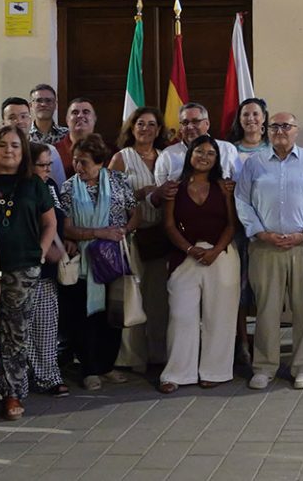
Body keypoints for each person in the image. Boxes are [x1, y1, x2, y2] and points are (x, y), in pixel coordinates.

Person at [235, 112, 303, 390]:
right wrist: (261, 232)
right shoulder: (254, 163)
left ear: (296, 130)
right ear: (267, 131)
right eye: (275, 126)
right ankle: (264, 367)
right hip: (265, 247)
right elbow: (242, 201)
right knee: (267, 309)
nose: (280, 130)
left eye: (286, 126)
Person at [0, 126, 56, 422]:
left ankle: (12, 393)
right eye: (3, 145)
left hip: (23, 267)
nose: (9, 150)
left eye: (15, 146)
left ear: (23, 153)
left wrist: (41, 253)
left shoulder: (34, 184)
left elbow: (50, 223)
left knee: (16, 334)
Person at [158, 136, 239, 393]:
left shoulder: (223, 187)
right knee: (181, 315)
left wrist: (215, 250)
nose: (204, 157)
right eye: (199, 151)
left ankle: (215, 371)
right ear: (190, 155)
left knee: (220, 315)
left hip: (221, 255)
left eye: (210, 153)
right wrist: (190, 249)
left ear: (217, 159)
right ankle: (176, 373)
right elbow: (169, 225)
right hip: (185, 257)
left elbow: (232, 224)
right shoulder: (175, 187)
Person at [60, 134, 140, 391]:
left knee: (112, 314)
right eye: (75, 161)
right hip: (84, 261)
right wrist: (99, 233)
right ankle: (89, 369)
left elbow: (134, 211)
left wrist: (125, 230)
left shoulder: (118, 181)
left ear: (100, 162)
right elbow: (67, 228)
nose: (78, 167)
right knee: (85, 318)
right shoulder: (69, 188)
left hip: (113, 259)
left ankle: (107, 366)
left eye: (84, 162)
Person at [108, 106, 170, 373]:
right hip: (133, 236)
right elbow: (109, 198)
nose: (146, 129)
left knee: (159, 298)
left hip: (161, 235)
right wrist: (139, 194)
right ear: (132, 128)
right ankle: (132, 357)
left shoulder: (166, 157)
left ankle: (159, 352)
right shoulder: (122, 158)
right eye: (141, 124)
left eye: (152, 124)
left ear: (159, 129)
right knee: (133, 296)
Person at [226, 96, 270, 367]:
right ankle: (242, 341)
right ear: (239, 120)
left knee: (266, 287)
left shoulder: (274, 149)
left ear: (264, 119)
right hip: (237, 228)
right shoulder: (229, 151)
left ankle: (266, 342)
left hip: (268, 227)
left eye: (256, 114)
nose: (251, 119)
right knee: (239, 287)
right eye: (246, 115)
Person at [27, 143, 70, 397]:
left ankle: (48, 376)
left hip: (48, 270)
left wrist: (63, 243)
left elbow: (58, 219)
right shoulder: (22, 188)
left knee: (46, 326)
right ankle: (21, 378)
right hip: (26, 264)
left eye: (48, 164)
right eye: (41, 165)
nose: (46, 169)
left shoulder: (50, 186)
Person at [155, 103, 241, 187]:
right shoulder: (167, 154)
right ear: (181, 128)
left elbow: (239, 183)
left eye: (195, 121)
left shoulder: (227, 149)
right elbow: (161, 189)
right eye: (185, 123)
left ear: (207, 124)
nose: (190, 127)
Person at [0, 97, 67, 185]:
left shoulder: (49, 151)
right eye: (12, 118)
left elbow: (59, 185)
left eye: (23, 116)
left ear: (30, 119)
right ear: (3, 123)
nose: (19, 121)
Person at [55, 98, 102, 179]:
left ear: (95, 118)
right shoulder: (54, 152)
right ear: (67, 120)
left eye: (86, 112)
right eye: (75, 112)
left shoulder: (110, 152)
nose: (80, 115)